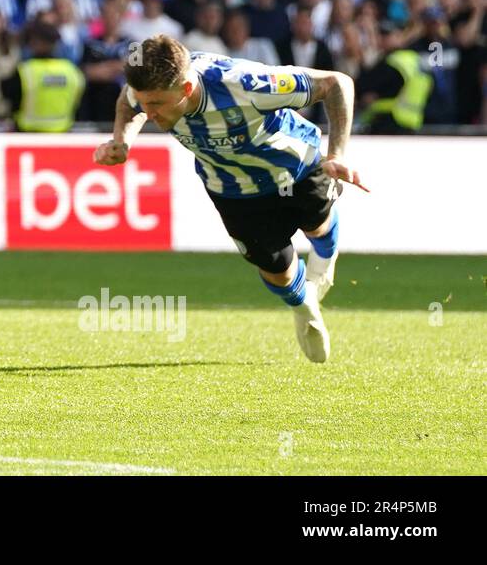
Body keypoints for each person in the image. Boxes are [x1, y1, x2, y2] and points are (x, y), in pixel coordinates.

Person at [95, 35, 367, 363]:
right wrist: (121, 141)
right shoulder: (150, 87)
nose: (149, 113)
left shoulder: (246, 84)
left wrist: (337, 152)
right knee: (277, 268)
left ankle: (324, 267)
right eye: (146, 102)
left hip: (295, 165)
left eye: (156, 105)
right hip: (232, 188)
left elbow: (336, 83)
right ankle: (304, 305)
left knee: (318, 226)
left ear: (185, 90)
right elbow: (129, 102)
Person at [3, 22, 85, 132]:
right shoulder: (72, 71)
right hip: (62, 136)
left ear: (35, 42)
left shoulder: (25, 70)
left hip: (28, 137)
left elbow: (8, 96)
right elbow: (78, 102)